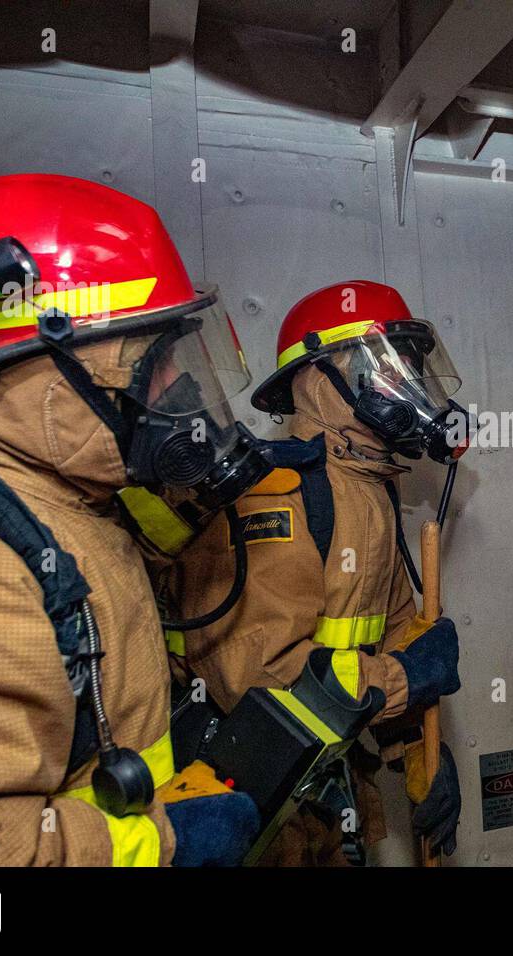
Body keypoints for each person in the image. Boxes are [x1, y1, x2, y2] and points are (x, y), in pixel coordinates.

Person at [0, 174, 259, 866]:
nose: (176, 392)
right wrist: (160, 845)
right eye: (151, 363)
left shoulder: (73, 505)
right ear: (46, 370)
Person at [160, 280, 466, 865]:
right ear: (317, 382)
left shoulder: (369, 491)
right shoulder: (272, 498)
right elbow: (264, 682)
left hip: (330, 787)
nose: (404, 386)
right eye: (383, 366)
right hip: (250, 805)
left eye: (409, 368)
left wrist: (418, 757)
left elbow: (394, 629)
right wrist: (404, 681)